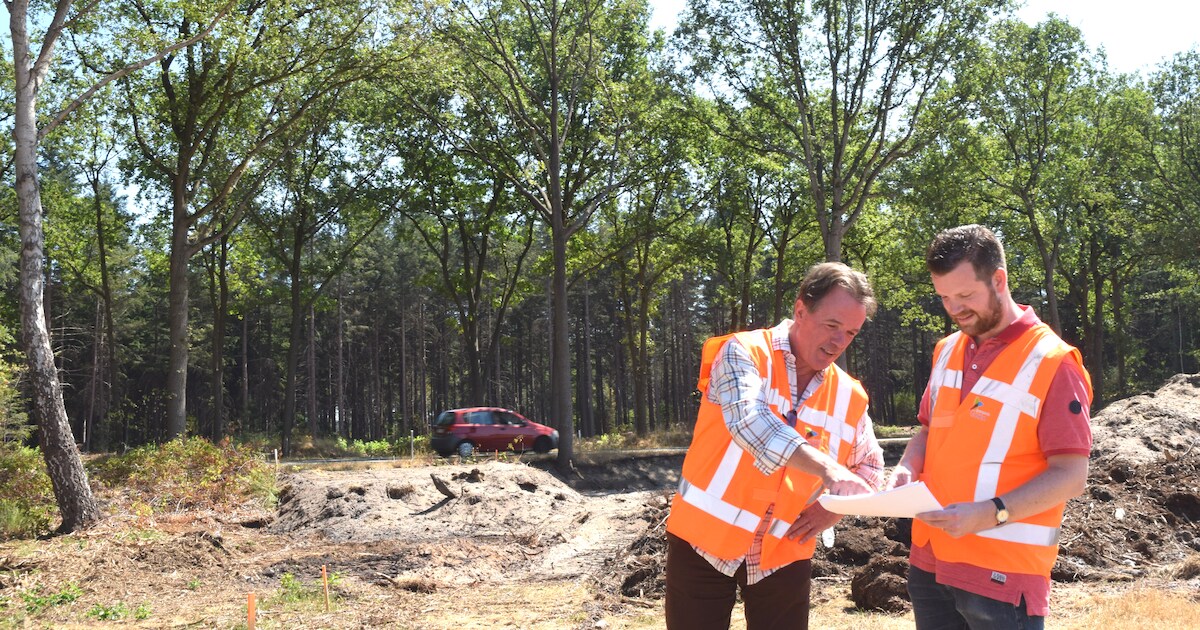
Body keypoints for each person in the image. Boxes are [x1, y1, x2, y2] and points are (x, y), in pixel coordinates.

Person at [888, 224, 1093, 629]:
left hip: (1002, 574)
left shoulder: (1053, 362)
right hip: (930, 563)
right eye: (944, 297)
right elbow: (929, 433)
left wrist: (991, 513)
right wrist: (906, 469)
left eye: (965, 296)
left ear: (999, 279)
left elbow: (1071, 476)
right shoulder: (947, 350)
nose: (954, 309)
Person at [665, 262, 885, 630]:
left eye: (850, 333)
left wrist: (832, 511)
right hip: (703, 541)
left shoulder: (849, 394)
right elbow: (750, 422)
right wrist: (829, 469)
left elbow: (871, 468)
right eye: (832, 325)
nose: (838, 342)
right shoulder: (743, 352)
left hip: (784, 550)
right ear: (801, 310)